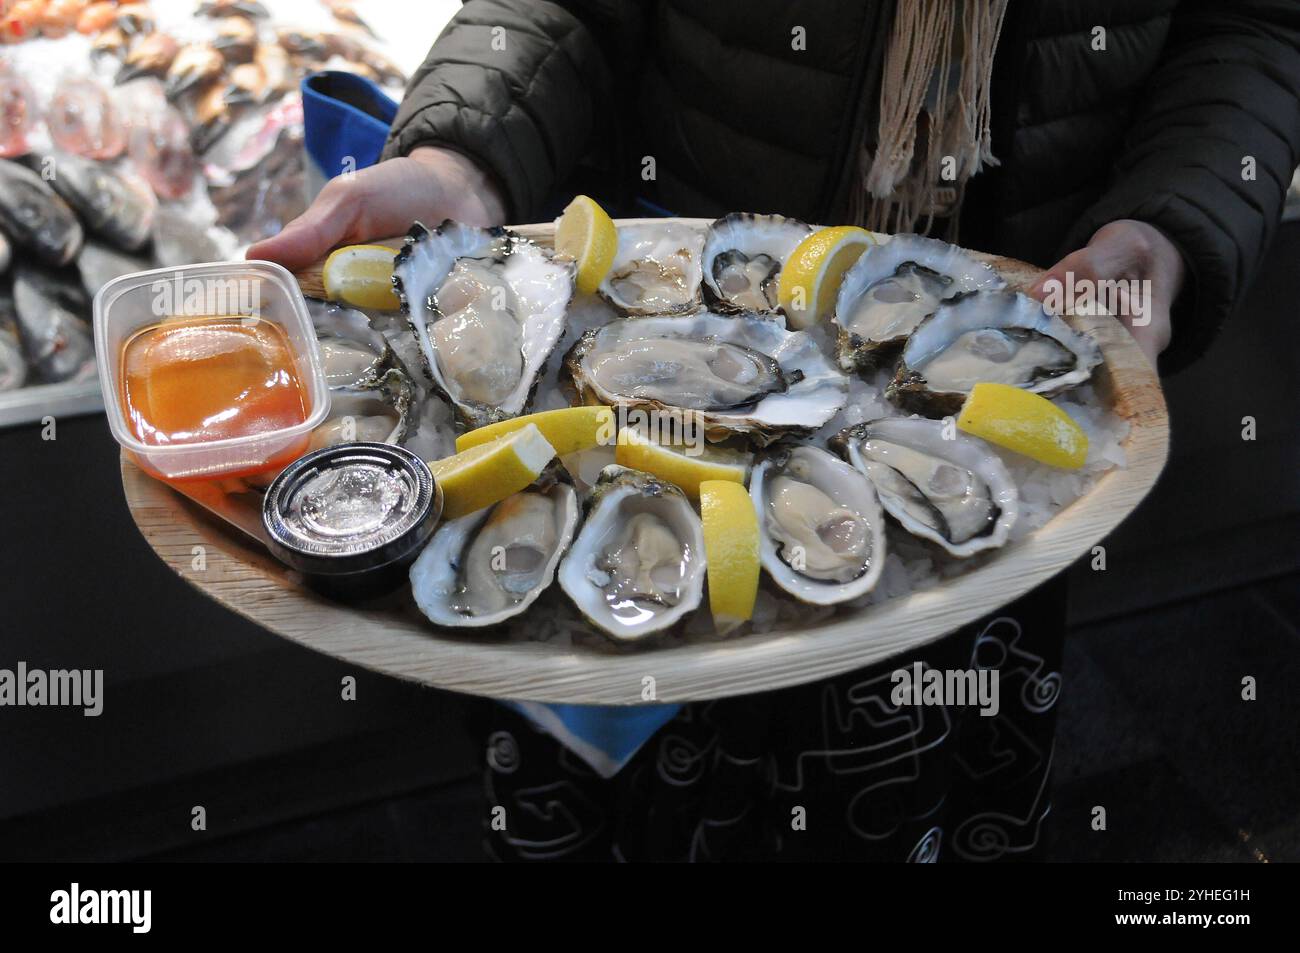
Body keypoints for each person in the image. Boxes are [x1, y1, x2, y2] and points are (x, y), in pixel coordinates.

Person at [249, 1, 1300, 861]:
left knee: (901, 796)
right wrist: (464, 162)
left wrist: (1163, 225)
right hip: (641, 373)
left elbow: (1256, 22)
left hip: (971, 432)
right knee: (628, 797)